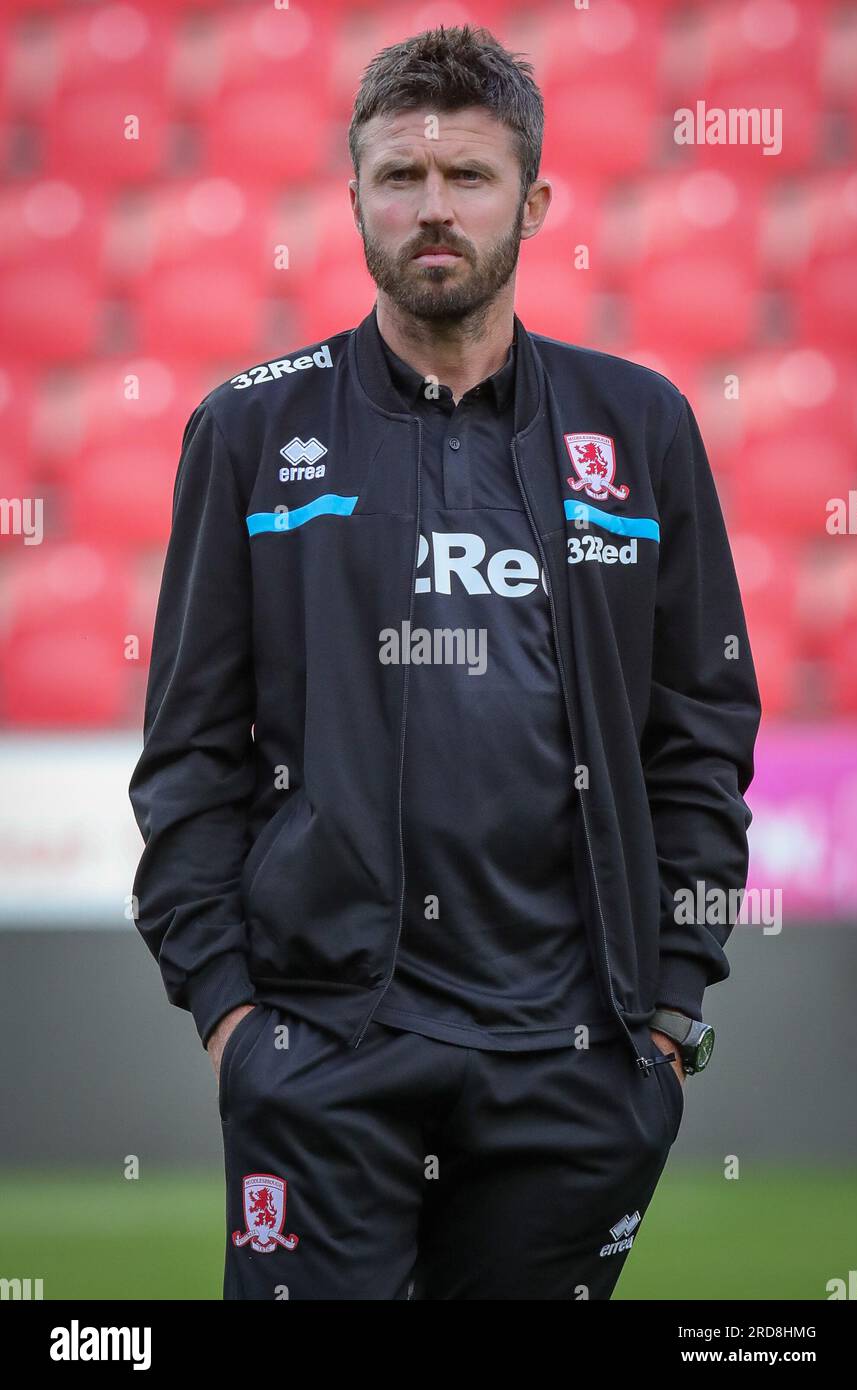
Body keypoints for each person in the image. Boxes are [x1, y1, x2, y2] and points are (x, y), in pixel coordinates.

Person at [128, 24, 761, 1300]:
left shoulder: (637, 426)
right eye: (397, 178)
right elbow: (189, 754)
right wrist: (234, 1023)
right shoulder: (251, 429)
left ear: (530, 202)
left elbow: (698, 732)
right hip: (324, 1051)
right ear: (352, 195)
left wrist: (666, 1011)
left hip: (575, 1056)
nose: (431, 210)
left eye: (466, 178)